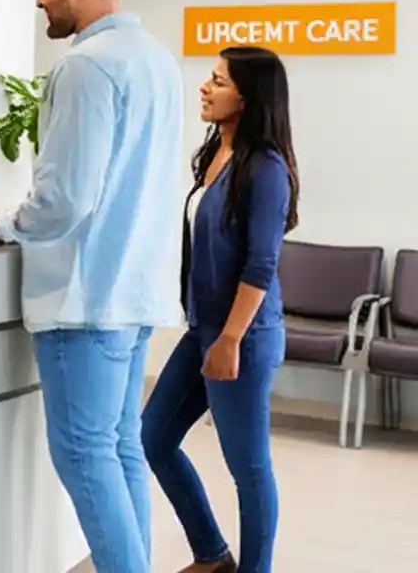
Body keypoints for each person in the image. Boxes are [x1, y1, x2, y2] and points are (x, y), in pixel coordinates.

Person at [0, 0, 183, 572]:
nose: (39, 0)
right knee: (119, 447)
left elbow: (63, 200)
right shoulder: (158, 60)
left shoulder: (83, 67)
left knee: (85, 455)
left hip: (84, 298)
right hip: (134, 294)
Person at [142, 47, 298, 573]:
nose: (205, 88)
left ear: (248, 97)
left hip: (244, 335)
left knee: (249, 468)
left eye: (218, 81)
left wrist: (229, 340)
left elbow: (261, 263)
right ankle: (212, 554)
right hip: (203, 328)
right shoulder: (215, 154)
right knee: (154, 437)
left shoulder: (267, 167)